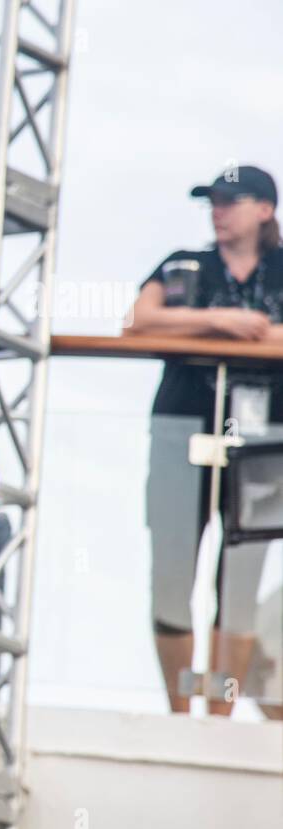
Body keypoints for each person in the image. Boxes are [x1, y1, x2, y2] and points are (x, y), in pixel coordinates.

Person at [125, 165, 283, 720]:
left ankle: (219, 713)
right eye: (213, 202)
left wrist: (259, 333)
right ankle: (179, 710)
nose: (218, 211)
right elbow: (139, 320)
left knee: (241, 574)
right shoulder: (183, 264)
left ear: (265, 209)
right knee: (171, 571)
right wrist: (218, 321)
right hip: (181, 430)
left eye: (231, 201)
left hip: (264, 438)